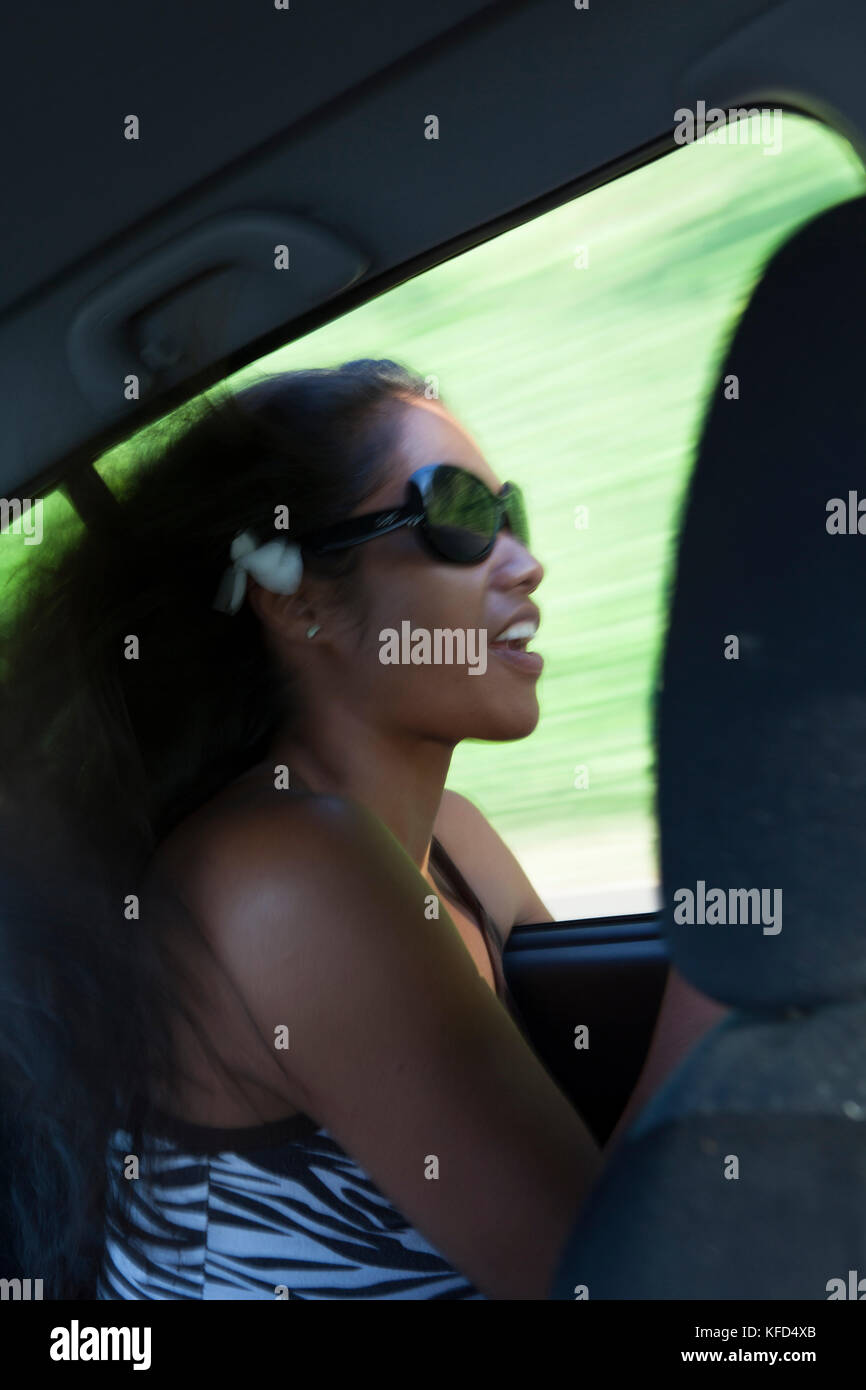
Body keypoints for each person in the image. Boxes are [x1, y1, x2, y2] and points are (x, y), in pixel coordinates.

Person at [0, 359, 726, 1300]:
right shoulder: (282, 875)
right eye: (461, 518)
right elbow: (613, 1287)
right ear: (298, 600)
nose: (523, 560)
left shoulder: (457, 847)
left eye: (515, 515)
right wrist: (750, 905)